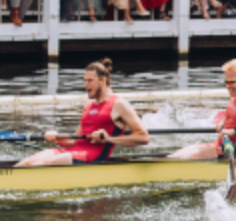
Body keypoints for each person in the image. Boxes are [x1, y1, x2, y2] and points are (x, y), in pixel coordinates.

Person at [17, 59, 150, 166]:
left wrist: (109, 139)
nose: (86, 85)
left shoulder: (119, 104)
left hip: (93, 156)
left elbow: (143, 137)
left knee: (44, 163)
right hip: (73, 152)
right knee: (27, 162)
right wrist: (56, 138)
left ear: (102, 80)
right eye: (84, 81)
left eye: (90, 81)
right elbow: (75, 141)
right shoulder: (89, 105)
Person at [169, 59, 236, 159]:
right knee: (177, 154)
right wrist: (223, 123)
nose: (228, 86)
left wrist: (234, 132)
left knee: (180, 157)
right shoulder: (235, 97)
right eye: (226, 82)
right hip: (219, 146)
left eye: (231, 82)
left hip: (232, 153)